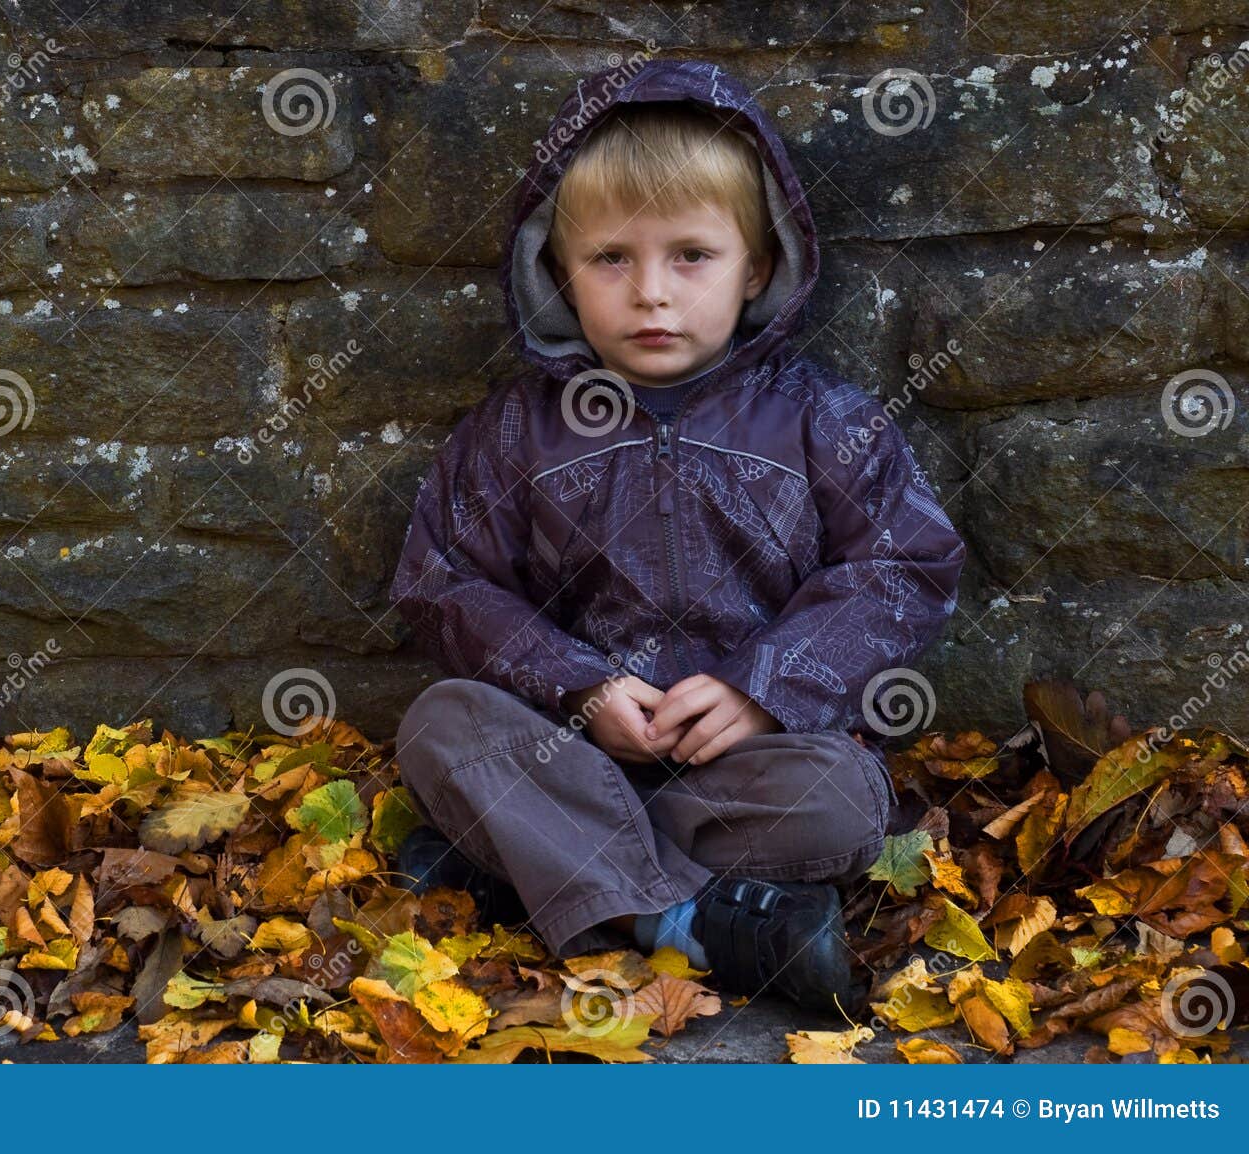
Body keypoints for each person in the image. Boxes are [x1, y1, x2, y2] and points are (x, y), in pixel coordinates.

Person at [386, 58, 966, 1013]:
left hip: (743, 765)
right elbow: (440, 581)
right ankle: (689, 923)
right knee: (441, 724)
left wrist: (764, 685)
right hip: (567, 745)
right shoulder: (518, 429)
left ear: (760, 267)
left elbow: (905, 562)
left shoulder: (822, 418)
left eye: (691, 255)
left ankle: (521, 862)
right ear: (561, 275)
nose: (652, 293)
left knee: (849, 798)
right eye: (612, 258)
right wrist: (576, 682)